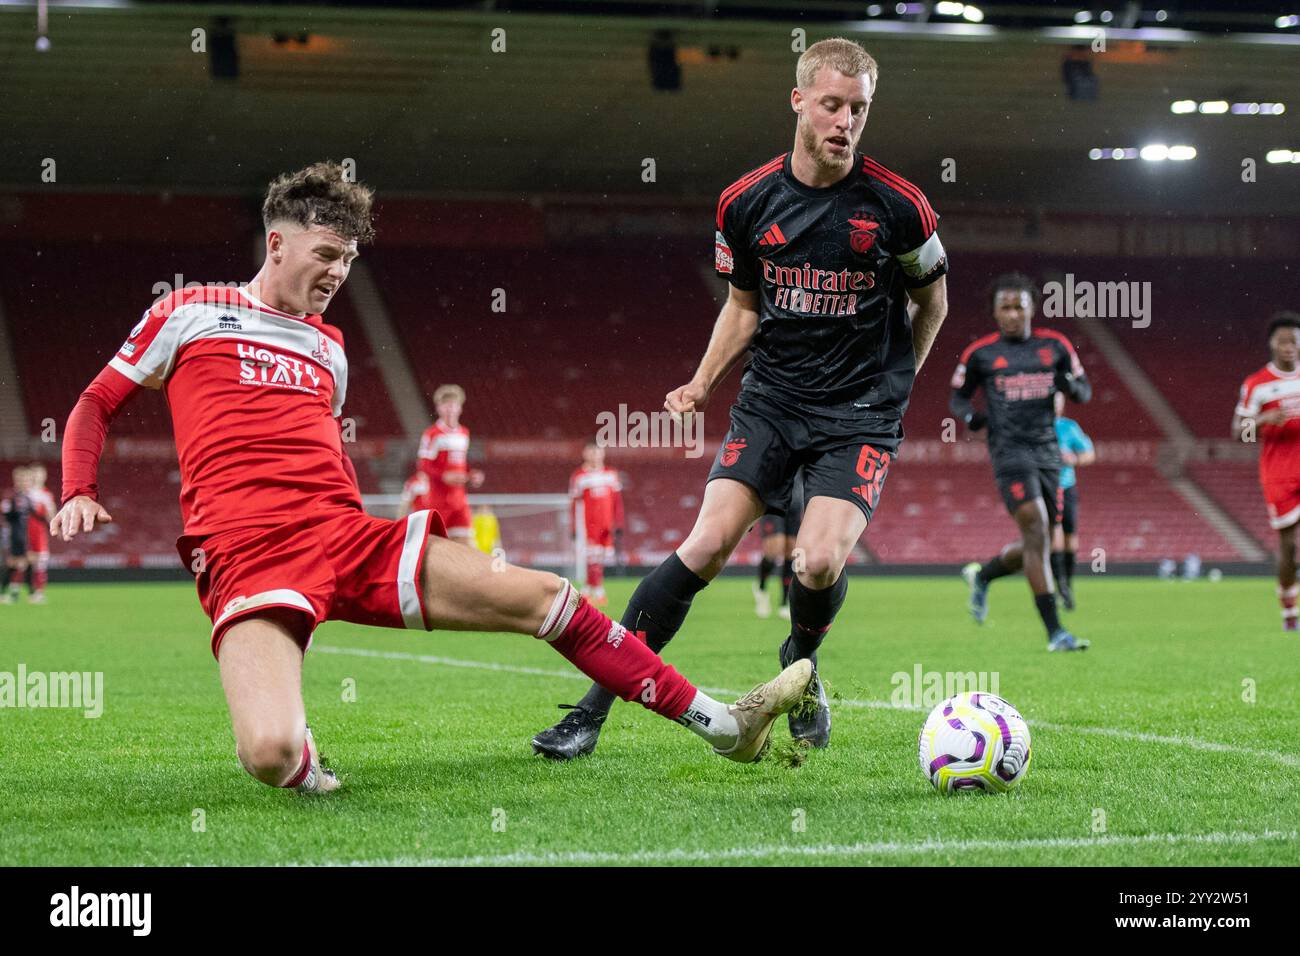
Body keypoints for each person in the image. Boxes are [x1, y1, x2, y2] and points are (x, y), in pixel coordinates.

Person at [50, 162, 814, 795]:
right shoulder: (190, 311)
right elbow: (95, 401)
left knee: (548, 596)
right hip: (249, 557)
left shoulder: (331, 347)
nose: (337, 273)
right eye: (325, 255)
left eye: (348, 260)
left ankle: (725, 726)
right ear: (276, 243)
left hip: (350, 539)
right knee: (271, 755)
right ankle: (308, 760)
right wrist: (79, 489)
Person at [531, 37, 948, 760]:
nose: (845, 121)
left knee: (816, 564)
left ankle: (803, 667)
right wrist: (701, 381)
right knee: (706, 544)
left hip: (858, 416)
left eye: (858, 109)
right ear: (798, 101)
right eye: (831, 105)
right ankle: (591, 710)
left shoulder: (899, 205)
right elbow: (743, 306)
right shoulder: (746, 202)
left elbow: (933, 302)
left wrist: (896, 386)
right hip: (773, 401)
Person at [954, 273, 1091, 651]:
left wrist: (1069, 386)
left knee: (1040, 543)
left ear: (1032, 308)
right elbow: (959, 399)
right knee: (1037, 528)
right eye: (1005, 308)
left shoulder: (1056, 346)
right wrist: (971, 418)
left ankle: (984, 576)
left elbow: (1084, 389)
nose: (1013, 314)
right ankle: (1055, 632)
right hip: (1009, 453)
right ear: (995, 313)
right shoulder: (980, 353)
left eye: (1019, 306)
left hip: (1048, 452)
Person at [1232, 311, 1300, 630]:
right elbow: (1239, 432)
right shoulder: (1257, 384)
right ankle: (1288, 609)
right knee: (1289, 547)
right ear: (1272, 344)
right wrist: (1262, 421)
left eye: (1294, 340)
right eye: (1283, 340)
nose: (1289, 346)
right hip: (1279, 472)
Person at [415, 384, 484, 545]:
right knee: (435, 547)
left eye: (454, 404)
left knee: (467, 546)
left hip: (459, 500)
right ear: (439, 408)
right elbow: (423, 466)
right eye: (446, 404)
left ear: (460, 408)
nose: (450, 409)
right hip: (438, 501)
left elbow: (461, 464)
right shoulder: (432, 434)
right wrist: (444, 476)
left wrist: (471, 475)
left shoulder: (464, 433)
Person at [1051, 393, 1094, 610]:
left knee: (1070, 539)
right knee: (1054, 537)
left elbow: (1089, 453)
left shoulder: (1068, 427)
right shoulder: (1035, 427)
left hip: (1067, 487)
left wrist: (1074, 459)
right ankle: (1060, 587)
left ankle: (1067, 584)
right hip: (1045, 487)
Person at [569, 442, 625, 607]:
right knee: (592, 559)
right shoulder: (579, 476)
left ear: (603, 453)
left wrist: (619, 523)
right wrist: (573, 527)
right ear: (585, 454)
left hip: (606, 526)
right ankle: (597, 592)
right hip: (587, 526)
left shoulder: (611, 474)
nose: (594, 455)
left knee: (599, 559)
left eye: (597, 451)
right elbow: (573, 504)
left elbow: (617, 502)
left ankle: (587, 591)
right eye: (591, 452)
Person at [753, 470, 805, 620]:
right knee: (774, 549)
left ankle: (784, 602)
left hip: (795, 503)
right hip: (773, 501)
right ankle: (761, 587)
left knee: (791, 551)